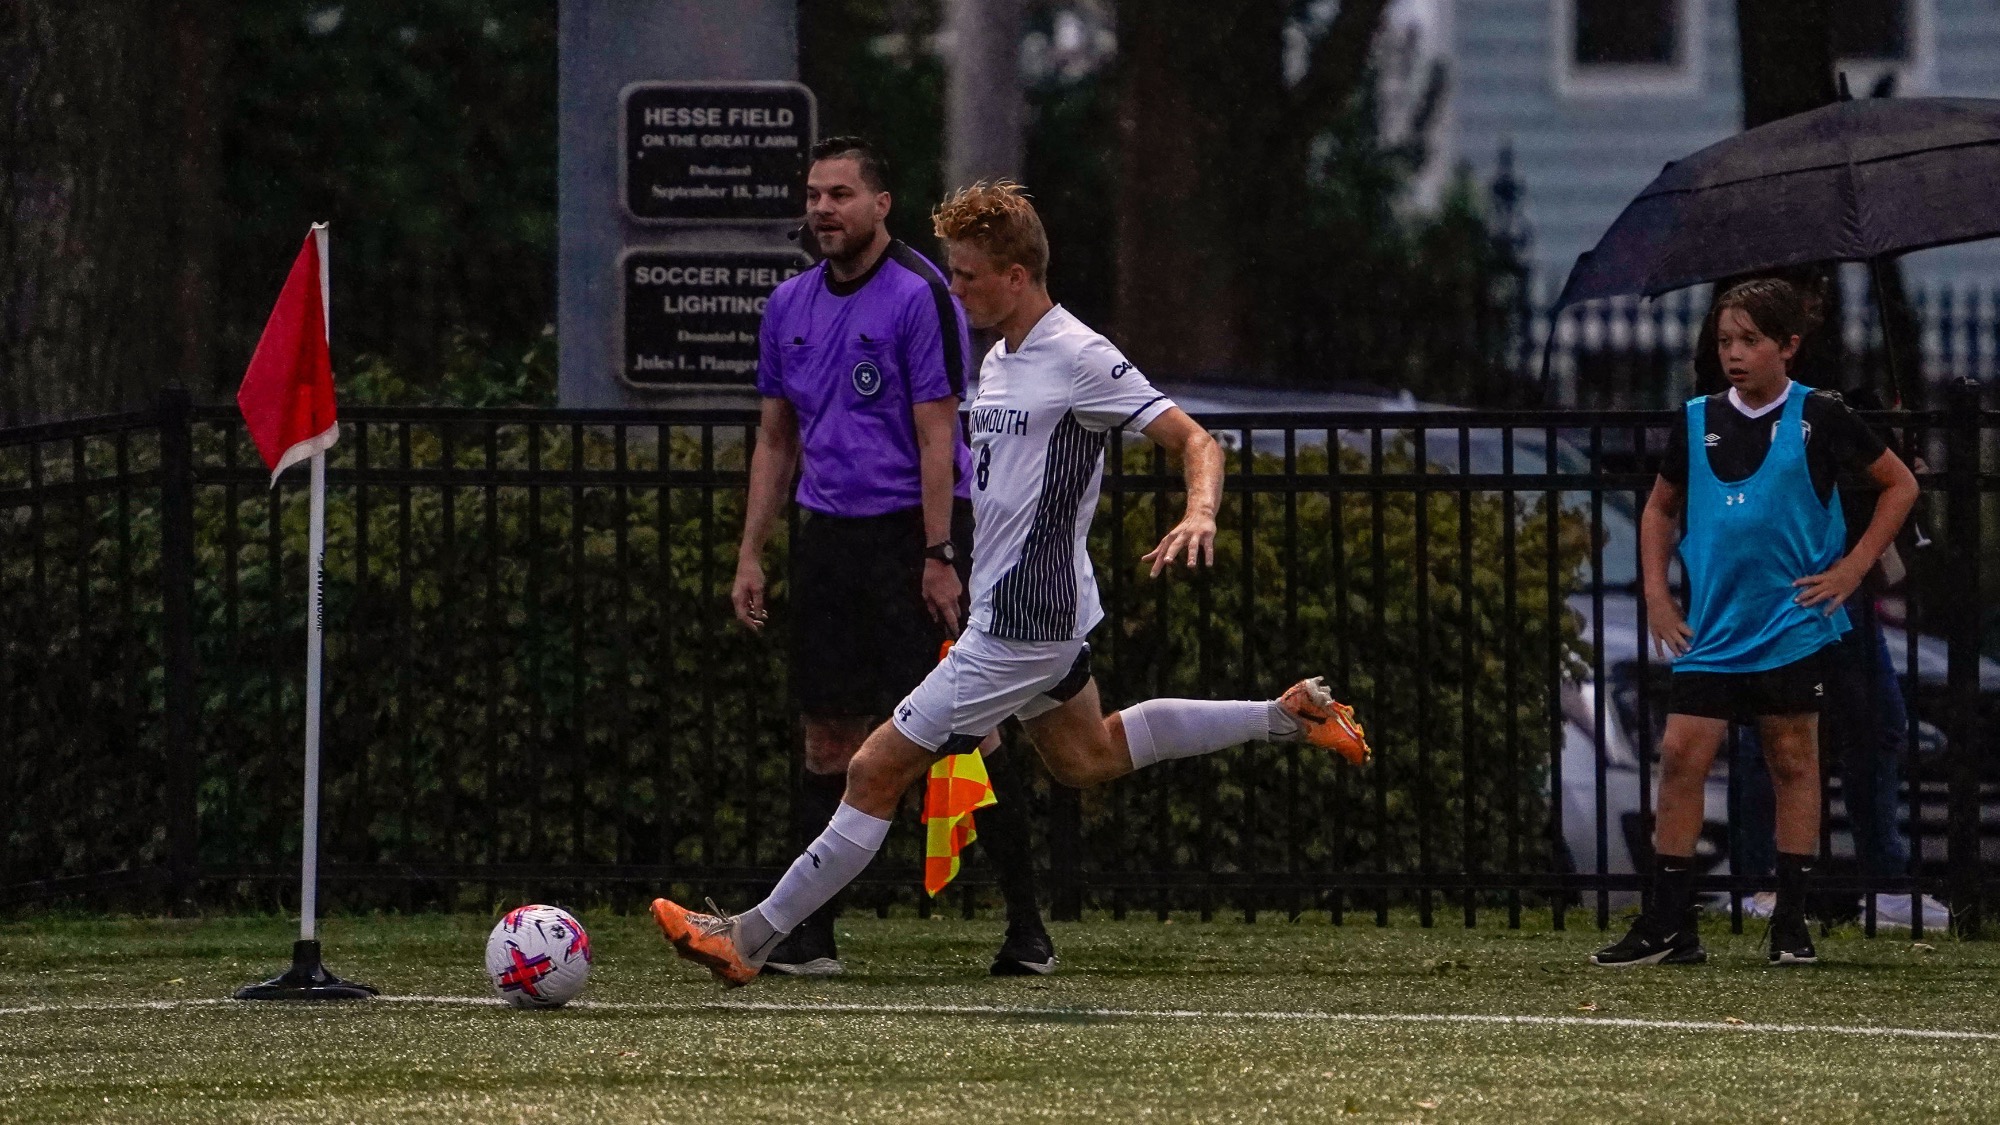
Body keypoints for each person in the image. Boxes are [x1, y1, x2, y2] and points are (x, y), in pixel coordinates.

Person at [657, 180, 1372, 986]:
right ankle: (1286, 717)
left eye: (965, 275)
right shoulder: (999, 358)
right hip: (1023, 612)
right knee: (1088, 755)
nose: (951, 288)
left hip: (1024, 625)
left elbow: (1197, 440)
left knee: (870, 769)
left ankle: (749, 938)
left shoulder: (1079, 355)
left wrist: (1199, 512)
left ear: (1017, 275)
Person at [734, 137, 1053, 976]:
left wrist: (940, 551)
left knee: (965, 732)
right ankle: (812, 939)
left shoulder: (919, 295)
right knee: (825, 737)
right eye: (813, 194)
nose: (823, 209)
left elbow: (936, 430)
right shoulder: (787, 305)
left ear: (880, 205)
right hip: (827, 542)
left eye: (841, 193)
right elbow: (775, 439)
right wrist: (753, 554)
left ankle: (1028, 928)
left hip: (909, 539)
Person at [1593, 277, 1918, 967]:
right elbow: (1659, 509)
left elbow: (1901, 483)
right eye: (1724, 341)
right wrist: (1657, 594)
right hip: (1712, 627)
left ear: (1788, 347)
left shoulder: (1820, 418)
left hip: (1791, 623)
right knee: (1682, 754)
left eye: (1749, 341)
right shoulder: (1696, 419)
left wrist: (1854, 567)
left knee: (1794, 761)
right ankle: (1669, 924)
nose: (1734, 354)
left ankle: (1791, 924)